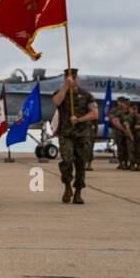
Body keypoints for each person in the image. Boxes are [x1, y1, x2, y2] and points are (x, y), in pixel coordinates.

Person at [52, 68, 99, 204]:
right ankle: (67, 187)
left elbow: (95, 113)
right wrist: (66, 86)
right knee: (66, 161)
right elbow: (56, 102)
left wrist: (79, 119)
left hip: (82, 135)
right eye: (68, 78)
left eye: (73, 78)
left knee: (80, 164)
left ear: (77, 79)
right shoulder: (61, 93)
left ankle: (78, 192)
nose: (71, 80)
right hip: (66, 134)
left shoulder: (86, 95)